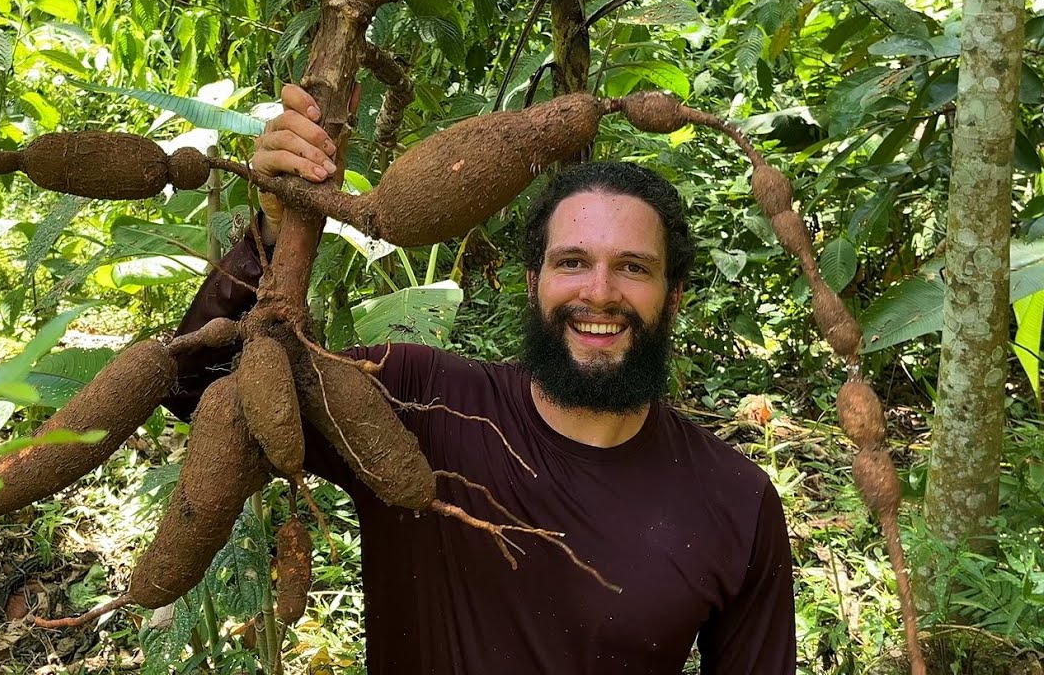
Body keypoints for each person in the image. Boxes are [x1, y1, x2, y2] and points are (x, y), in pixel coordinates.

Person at [162, 85, 796, 674]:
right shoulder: (411, 398)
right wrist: (274, 230)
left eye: (632, 267)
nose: (599, 293)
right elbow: (203, 391)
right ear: (534, 282)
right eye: (572, 262)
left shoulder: (735, 501)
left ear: (674, 294)